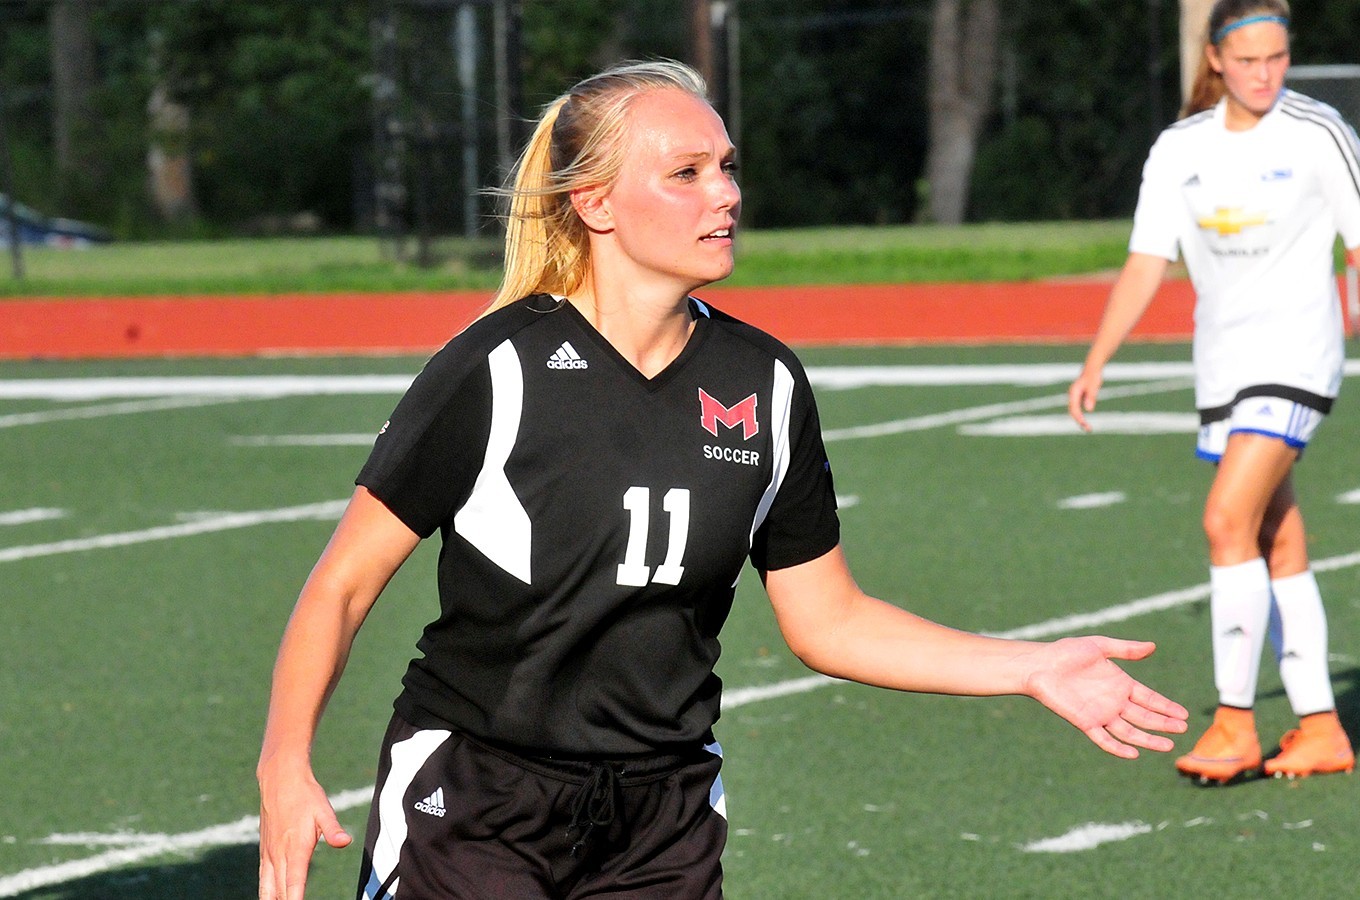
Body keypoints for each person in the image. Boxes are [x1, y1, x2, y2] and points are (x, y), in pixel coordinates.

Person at [258, 59, 1187, 900]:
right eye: (687, 173)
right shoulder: (495, 369)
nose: (726, 196)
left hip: (661, 815)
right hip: (478, 799)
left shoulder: (764, 382)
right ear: (596, 204)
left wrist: (1029, 668)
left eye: (728, 167)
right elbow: (340, 586)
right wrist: (285, 765)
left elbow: (830, 620)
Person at [1068, 0, 1360, 786]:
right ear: (1218, 61)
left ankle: (1235, 722)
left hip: (1297, 356)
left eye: (1279, 58)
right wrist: (1097, 359)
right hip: (1223, 366)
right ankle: (1323, 727)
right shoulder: (1180, 148)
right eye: (1251, 60)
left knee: (1226, 518)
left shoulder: (1318, 131)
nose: (1267, 75)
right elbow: (1144, 261)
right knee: (1276, 536)